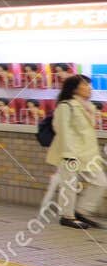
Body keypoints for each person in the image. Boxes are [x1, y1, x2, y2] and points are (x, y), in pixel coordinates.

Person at [46, 73, 104, 229]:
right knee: (69, 185)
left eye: (89, 85)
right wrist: (68, 154)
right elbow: (63, 131)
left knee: (101, 182)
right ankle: (67, 216)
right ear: (74, 88)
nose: (89, 88)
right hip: (70, 153)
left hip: (88, 155)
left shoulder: (88, 107)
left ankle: (81, 211)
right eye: (85, 85)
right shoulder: (66, 106)